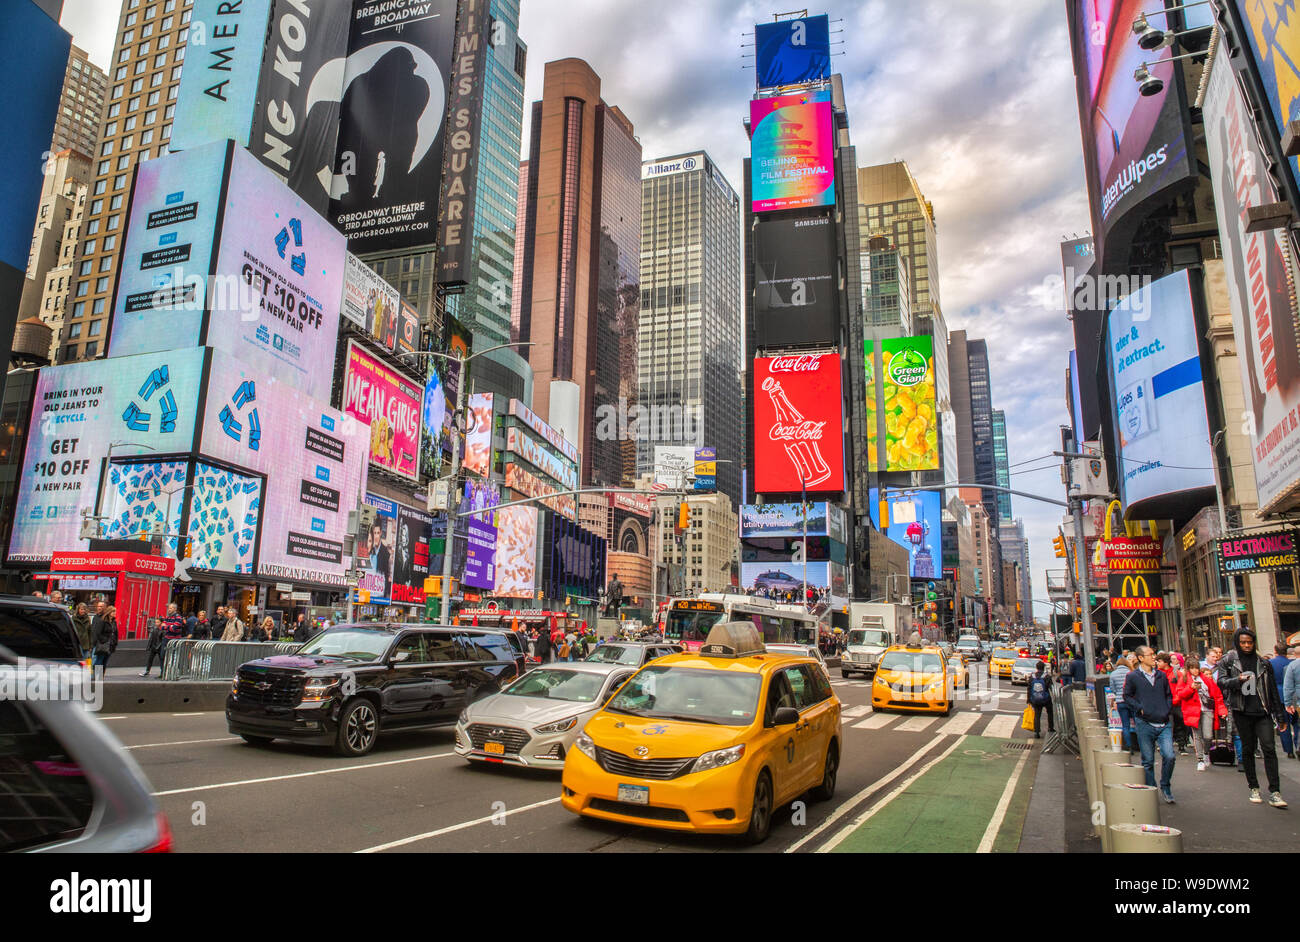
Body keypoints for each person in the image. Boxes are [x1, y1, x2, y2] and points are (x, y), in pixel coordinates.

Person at [1217, 626, 1289, 807]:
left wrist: (1280, 716)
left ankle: (1275, 791)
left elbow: (1272, 689)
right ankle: (1254, 787)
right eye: (1243, 642)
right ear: (1237, 643)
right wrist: (1237, 680)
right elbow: (1221, 682)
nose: (1247, 645)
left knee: (1269, 749)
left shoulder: (1263, 663)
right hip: (1242, 711)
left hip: (1262, 711)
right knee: (1248, 749)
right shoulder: (1229, 660)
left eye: (1250, 642)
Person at [1122, 645, 1177, 803]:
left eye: (1154, 654)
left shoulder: (1161, 675)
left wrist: (1167, 709)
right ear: (1140, 658)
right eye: (1150, 655)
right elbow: (1127, 696)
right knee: (1147, 760)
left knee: (1169, 756)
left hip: (1163, 721)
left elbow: (1168, 695)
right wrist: (1140, 708)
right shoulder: (1133, 676)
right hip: (1145, 723)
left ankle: (1165, 786)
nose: (1154, 657)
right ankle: (1151, 790)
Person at [1173, 662, 1227, 771]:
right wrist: (1191, 688)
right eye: (1192, 668)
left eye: (1197, 668)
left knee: (1208, 736)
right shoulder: (1184, 679)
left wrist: (1222, 710)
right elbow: (1180, 695)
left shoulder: (1206, 679)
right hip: (1193, 710)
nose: (1195, 670)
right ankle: (1200, 759)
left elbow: (1217, 695)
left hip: (1207, 709)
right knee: (1197, 735)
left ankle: (1206, 753)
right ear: (1188, 669)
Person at [1268, 643, 1295, 760]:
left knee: (1283, 723)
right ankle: (1298, 745)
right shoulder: (1292, 663)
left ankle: (1289, 750)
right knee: (1296, 723)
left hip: (1278, 696)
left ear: (1275, 651)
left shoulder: (1271, 663)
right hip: (1293, 696)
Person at [1110, 653, 1134, 754]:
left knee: (1125, 725)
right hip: (1132, 700)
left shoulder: (1113, 674)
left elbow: (1112, 688)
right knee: (1138, 722)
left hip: (1120, 700)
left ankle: (1129, 746)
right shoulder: (1131, 672)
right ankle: (1141, 744)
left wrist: (1118, 694)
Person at [1027, 661, 1054, 738]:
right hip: (1045, 698)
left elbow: (1029, 688)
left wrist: (1029, 699)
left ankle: (1037, 732)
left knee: (1037, 715)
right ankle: (1051, 727)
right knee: (1050, 712)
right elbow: (1051, 687)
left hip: (1035, 699)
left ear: (1036, 667)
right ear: (1043, 667)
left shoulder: (1032, 676)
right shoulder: (1047, 676)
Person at [91, 605, 118, 672]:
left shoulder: (114, 622)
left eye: (115, 611)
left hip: (110, 646)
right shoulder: (102, 621)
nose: (115, 613)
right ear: (109, 612)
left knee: (105, 662)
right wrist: (104, 640)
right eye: (113, 611)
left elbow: (115, 633)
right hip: (103, 645)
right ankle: (98, 678)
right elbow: (98, 633)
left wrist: (115, 642)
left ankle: (101, 677)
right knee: (99, 661)